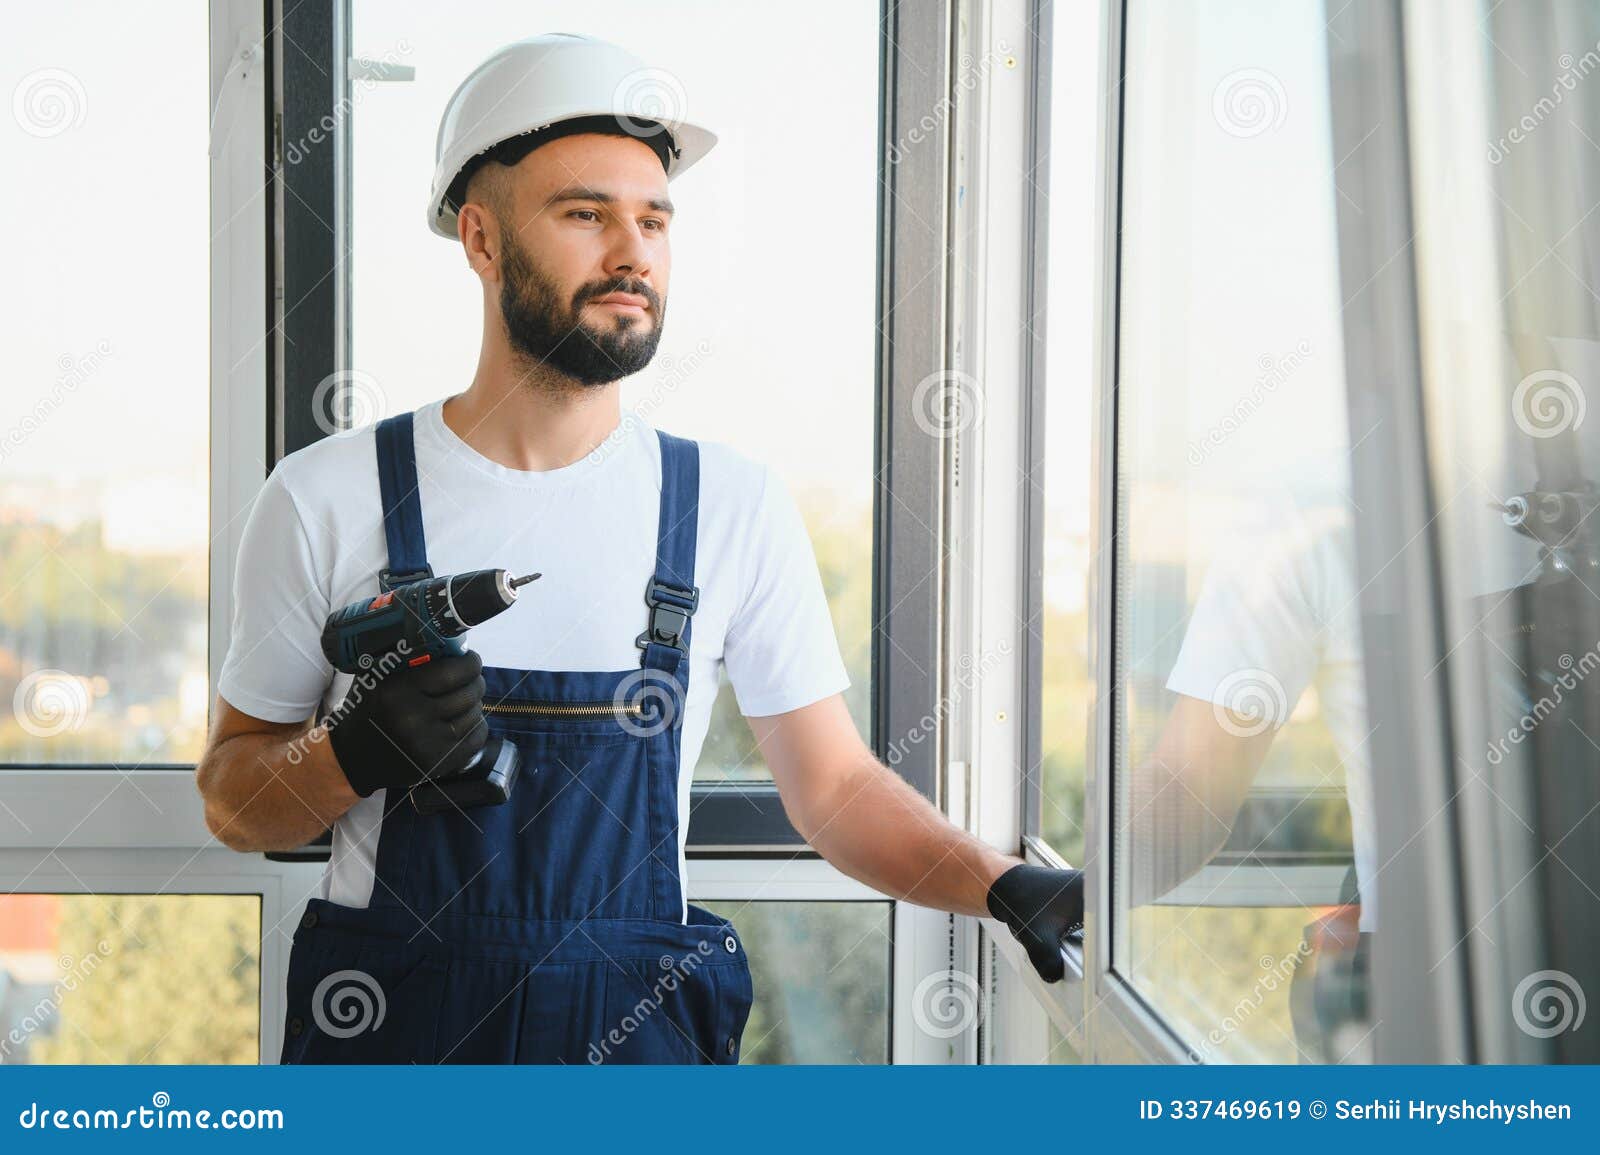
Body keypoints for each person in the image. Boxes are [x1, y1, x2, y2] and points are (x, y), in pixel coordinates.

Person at [194, 32, 1079, 1065]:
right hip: (392, 1043)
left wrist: (996, 880)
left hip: (637, 1048)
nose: (632, 253)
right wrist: (347, 756)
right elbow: (232, 803)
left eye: (653, 220)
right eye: (585, 215)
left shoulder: (726, 506)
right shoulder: (324, 496)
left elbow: (834, 793)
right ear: (480, 241)